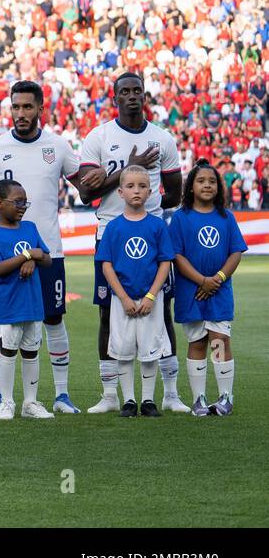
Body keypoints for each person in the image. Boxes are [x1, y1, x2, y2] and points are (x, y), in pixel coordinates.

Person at [0, 80, 92, 414]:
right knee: (3, 325)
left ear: (41, 108)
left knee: (53, 320)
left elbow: (84, 186)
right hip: (10, 255)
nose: (21, 113)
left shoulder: (58, 145)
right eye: (16, 107)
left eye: (28, 107)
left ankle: (61, 394)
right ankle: (0, 396)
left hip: (48, 252)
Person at [77, 72, 184, 414]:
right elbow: (85, 193)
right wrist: (130, 167)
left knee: (162, 313)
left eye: (137, 90)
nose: (132, 96)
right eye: (125, 91)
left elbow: (175, 194)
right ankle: (110, 395)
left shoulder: (163, 139)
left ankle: (169, 393)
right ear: (115, 97)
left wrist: (144, 213)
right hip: (110, 231)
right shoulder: (99, 136)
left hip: (152, 235)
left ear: (145, 94)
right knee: (109, 313)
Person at [95, 166, 176, 418]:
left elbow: (165, 262)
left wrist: (152, 295)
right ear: (120, 192)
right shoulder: (114, 227)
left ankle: (148, 401)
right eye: (130, 186)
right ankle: (129, 400)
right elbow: (106, 265)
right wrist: (123, 297)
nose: (136, 191)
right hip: (123, 299)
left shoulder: (157, 225)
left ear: (150, 192)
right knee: (123, 348)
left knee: (150, 348)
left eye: (142, 186)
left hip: (152, 298)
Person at [169, 161, 246, 416]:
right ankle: (199, 399)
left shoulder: (226, 216)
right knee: (198, 341)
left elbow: (236, 251)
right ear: (190, 187)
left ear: (218, 187)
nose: (207, 185)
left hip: (220, 290)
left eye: (212, 181)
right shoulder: (180, 218)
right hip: (191, 290)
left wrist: (218, 278)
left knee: (219, 340)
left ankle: (225, 397)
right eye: (201, 181)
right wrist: (202, 280)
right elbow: (176, 255)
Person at [0, 180, 55, 420]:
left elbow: (47, 259)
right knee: (8, 351)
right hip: (9, 305)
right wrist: (26, 255)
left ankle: (30, 402)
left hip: (33, 303)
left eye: (25, 201)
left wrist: (33, 259)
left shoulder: (30, 228)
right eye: (18, 201)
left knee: (31, 351)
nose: (23, 206)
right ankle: (6, 401)